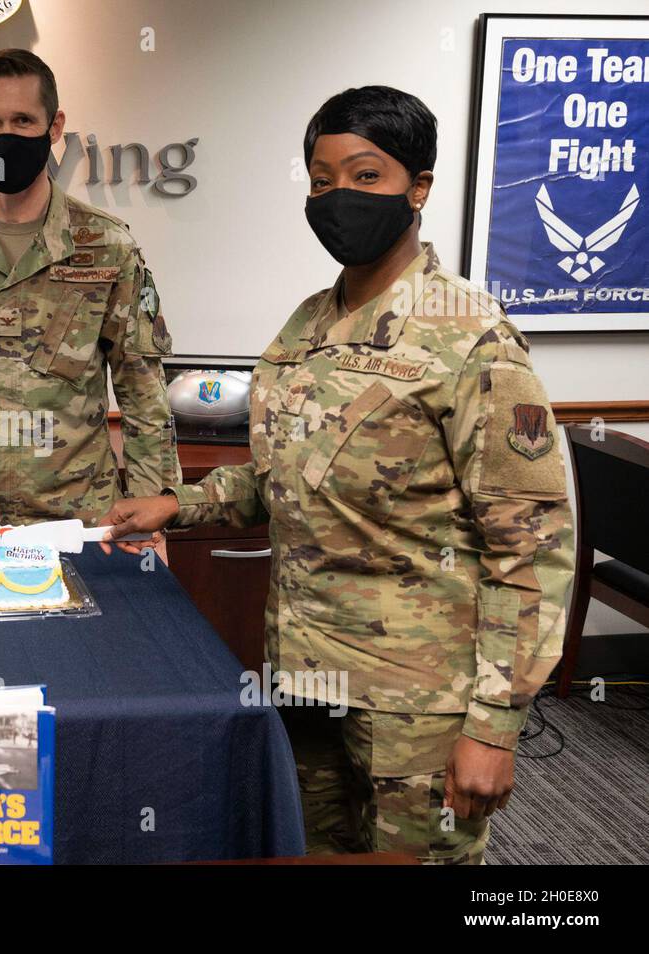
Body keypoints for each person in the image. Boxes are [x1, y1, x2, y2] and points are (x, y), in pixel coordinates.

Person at [101, 87, 575, 864]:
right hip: (306, 670)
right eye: (321, 181)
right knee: (310, 852)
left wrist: (494, 725)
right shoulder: (308, 323)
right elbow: (283, 477)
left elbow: (531, 551)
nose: (337, 198)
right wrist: (174, 506)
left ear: (417, 187)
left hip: (417, 699)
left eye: (365, 176)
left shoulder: (472, 339)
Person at [0, 49, 179, 526]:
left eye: (23, 120)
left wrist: (151, 515)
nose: (6, 135)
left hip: (80, 527)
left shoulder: (107, 247)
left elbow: (143, 395)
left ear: (55, 125)